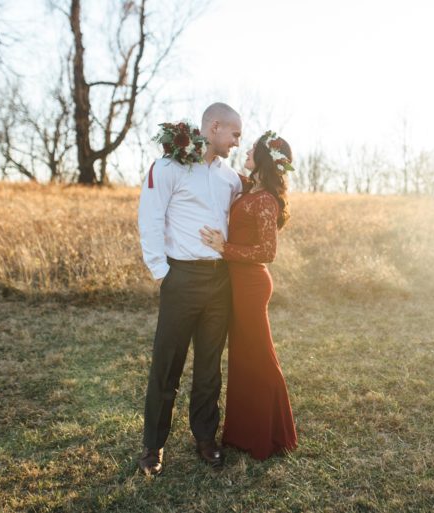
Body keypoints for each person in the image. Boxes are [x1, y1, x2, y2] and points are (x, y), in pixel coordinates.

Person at [136, 102, 242, 476]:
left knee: (210, 366)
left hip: (220, 281)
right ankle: (153, 445)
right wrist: (161, 272)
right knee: (167, 364)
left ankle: (205, 438)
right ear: (214, 127)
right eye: (234, 135)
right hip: (180, 277)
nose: (236, 143)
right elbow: (149, 217)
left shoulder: (231, 178)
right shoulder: (169, 167)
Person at [200, 130, 298, 460]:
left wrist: (223, 248)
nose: (245, 152)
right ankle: (243, 433)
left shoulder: (267, 200)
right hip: (236, 283)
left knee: (260, 356)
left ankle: (275, 434)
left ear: (264, 160)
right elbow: (218, 172)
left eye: (252, 151)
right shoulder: (248, 187)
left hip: (252, 285)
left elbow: (267, 251)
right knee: (242, 357)